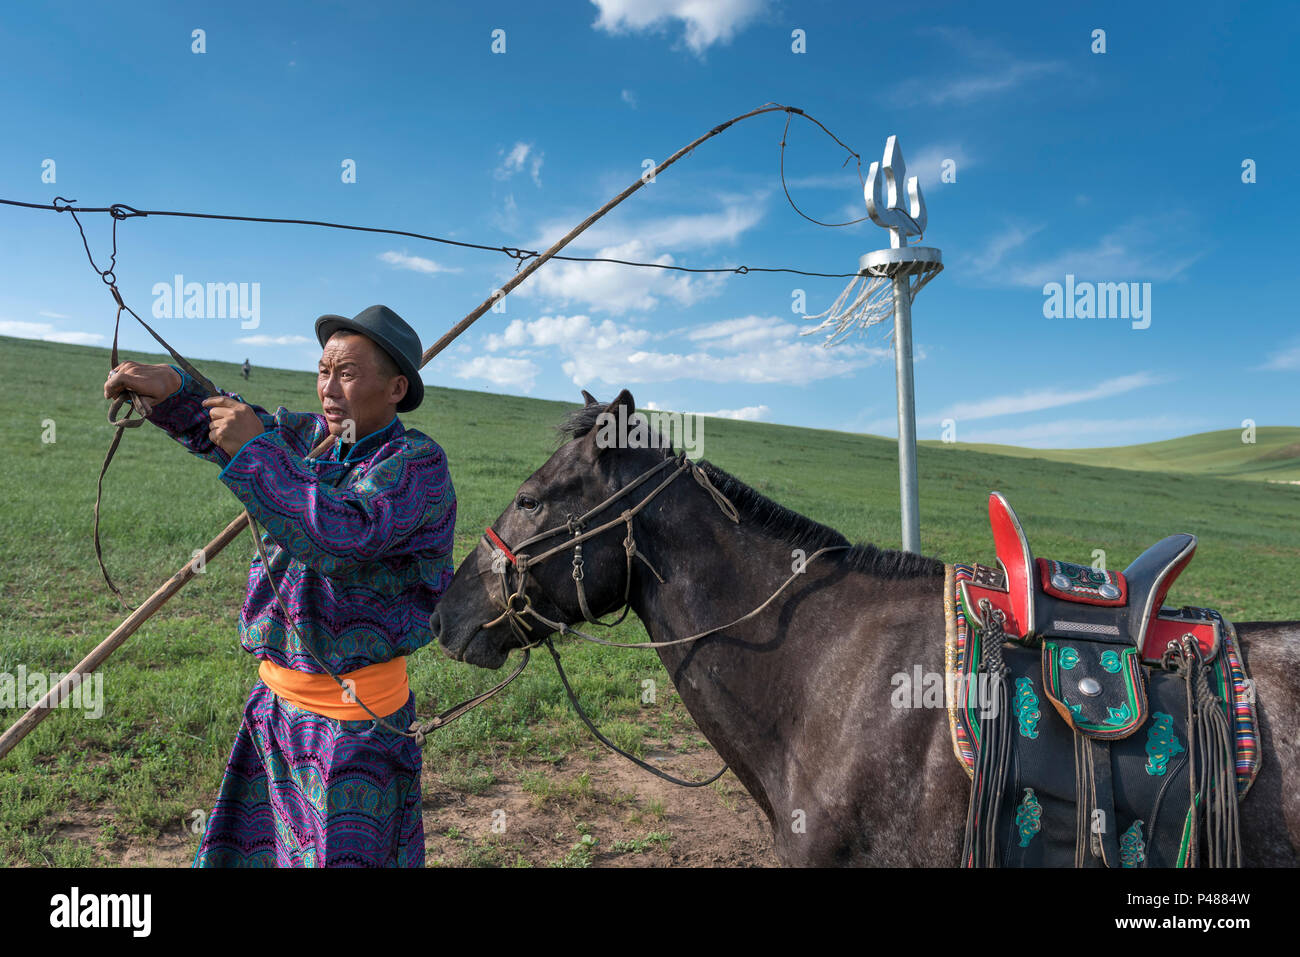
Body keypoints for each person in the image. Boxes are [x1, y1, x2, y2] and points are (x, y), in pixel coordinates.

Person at [103, 304, 455, 867]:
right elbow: (235, 424)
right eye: (324, 371)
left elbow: (340, 536)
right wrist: (173, 391)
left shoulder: (416, 466)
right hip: (274, 708)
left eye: (347, 373)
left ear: (395, 388)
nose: (329, 388)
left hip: (355, 727)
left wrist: (256, 452)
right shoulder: (312, 439)